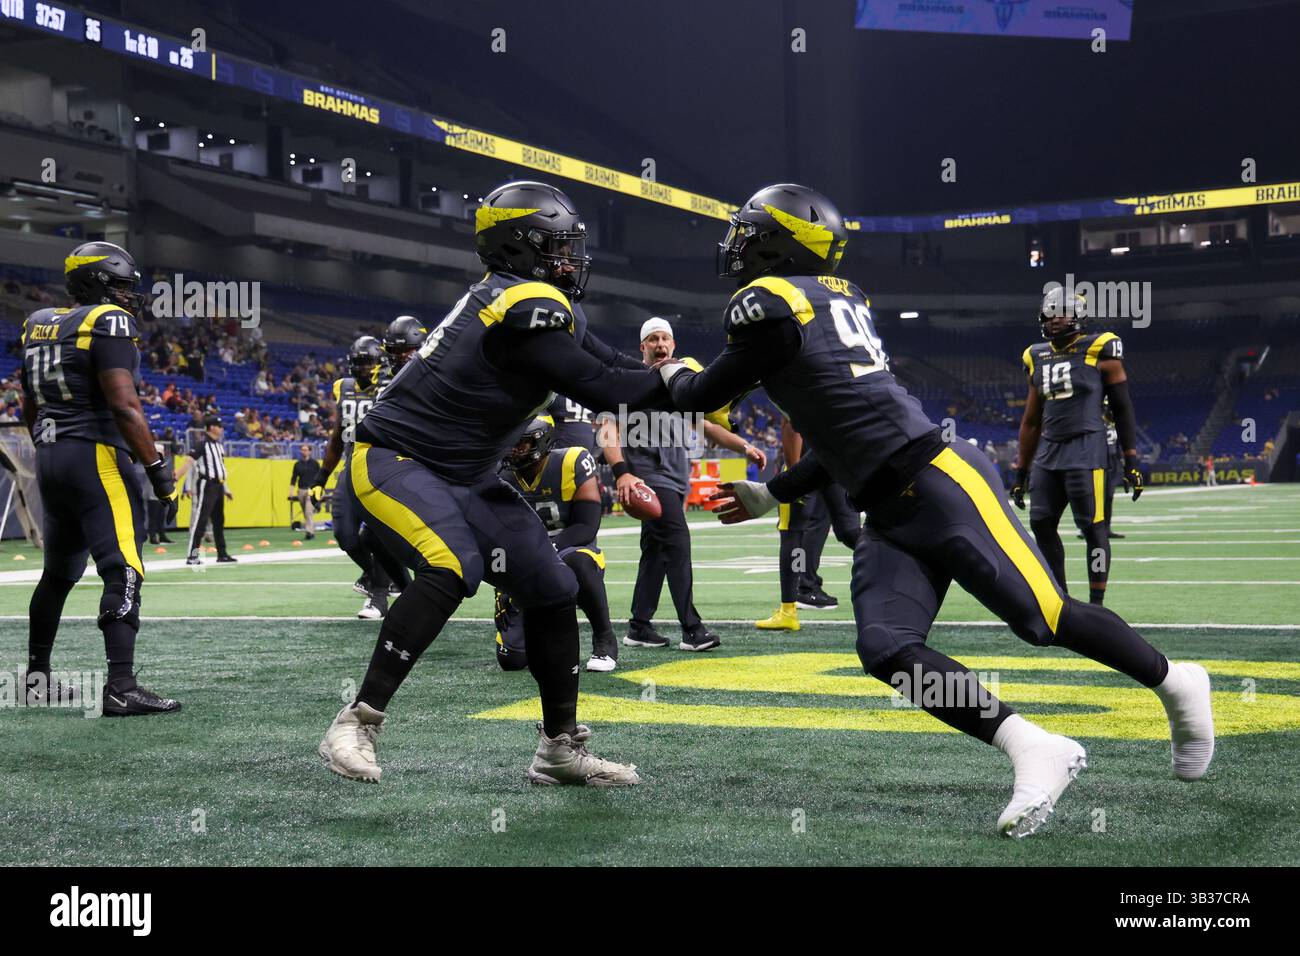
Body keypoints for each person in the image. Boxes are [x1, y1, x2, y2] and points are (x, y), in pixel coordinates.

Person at [658, 182, 1214, 837]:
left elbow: (695, 394)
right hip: (889, 508)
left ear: (781, 244)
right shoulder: (823, 302)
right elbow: (840, 432)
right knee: (886, 647)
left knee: (1045, 619)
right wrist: (771, 493)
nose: (739, 243)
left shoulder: (768, 305)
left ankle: (1177, 680)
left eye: (751, 232)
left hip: (939, 479)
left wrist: (665, 370)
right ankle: (1034, 748)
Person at [317, 180, 670, 786]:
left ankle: (559, 749)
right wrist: (702, 381)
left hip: (467, 471)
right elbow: (606, 387)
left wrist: (693, 379)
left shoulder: (540, 303)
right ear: (522, 248)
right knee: (453, 566)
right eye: (559, 246)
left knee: (553, 586)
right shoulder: (520, 304)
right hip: (398, 459)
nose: (572, 258)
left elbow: (619, 365)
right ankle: (357, 720)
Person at [17, 241, 181, 714]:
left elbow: (29, 401)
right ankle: (121, 687)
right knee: (124, 566)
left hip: (52, 456)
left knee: (58, 574)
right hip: (95, 457)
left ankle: (36, 679)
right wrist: (158, 472)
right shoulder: (107, 321)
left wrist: (51, 445)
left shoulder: (39, 322)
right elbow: (125, 406)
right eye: (123, 285)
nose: (130, 295)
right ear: (99, 282)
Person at [599, 317, 764, 651]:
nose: (660, 344)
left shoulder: (679, 383)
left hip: (674, 479)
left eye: (665, 339)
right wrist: (622, 472)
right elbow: (607, 428)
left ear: (673, 346)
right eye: (653, 339)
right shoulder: (628, 382)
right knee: (677, 544)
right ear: (642, 346)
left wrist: (743, 446)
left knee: (657, 552)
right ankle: (692, 627)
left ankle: (639, 626)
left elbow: (705, 426)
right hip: (648, 476)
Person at [1011, 288, 1143, 606]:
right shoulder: (1035, 355)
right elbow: (1031, 421)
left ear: (1079, 317)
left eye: (1063, 312)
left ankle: (1096, 604)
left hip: (1088, 447)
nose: (1056, 319)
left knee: (1093, 526)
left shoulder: (1101, 348)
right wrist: (1021, 470)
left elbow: (1123, 408)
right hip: (1049, 451)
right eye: (1051, 312)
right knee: (1041, 523)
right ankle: (1061, 598)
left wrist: (1131, 460)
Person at [494, 415, 618, 672]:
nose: (513, 449)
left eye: (521, 443)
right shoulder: (499, 472)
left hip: (570, 549)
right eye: (511, 443)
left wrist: (542, 555)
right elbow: (495, 533)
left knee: (579, 561)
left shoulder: (571, 461)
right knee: (512, 660)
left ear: (540, 442)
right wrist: (503, 582)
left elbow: (586, 526)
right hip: (524, 561)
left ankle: (604, 639)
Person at [756, 417, 860, 631]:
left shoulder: (793, 384)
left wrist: (794, 476)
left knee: (792, 531)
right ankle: (901, 576)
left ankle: (788, 609)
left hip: (808, 458)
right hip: (836, 458)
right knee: (849, 531)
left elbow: (789, 423)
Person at [313, 336, 392, 619]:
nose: (362, 367)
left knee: (375, 533)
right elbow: (337, 436)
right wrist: (321, 478)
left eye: (367, 361)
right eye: (358, 362)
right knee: (344, 534)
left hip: (382, 466)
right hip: (351, 464)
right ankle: (378, 575)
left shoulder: (392, 384)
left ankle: (379, 596)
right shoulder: (342, 388)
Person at [177, 416, 236, 565]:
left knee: (218, 520)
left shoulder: (219, 445)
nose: (222, 428)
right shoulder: (202, 444)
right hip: (207, 484)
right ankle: (192, 555)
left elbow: (220, 468)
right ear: (211, 428)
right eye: (219, 426)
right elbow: (189, 460)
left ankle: (222, 554)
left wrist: (226, 488)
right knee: (201, 519)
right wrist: (177, 475)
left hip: (219, 485)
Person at [290, 443, 321, 539]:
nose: (304, 451)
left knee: (308, 511)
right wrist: (291, 491)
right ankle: (311, 531)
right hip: (301, 490)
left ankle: (309, 532)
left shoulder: (315, 464)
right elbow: (294, 478)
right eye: (302, 450)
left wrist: (318, 492)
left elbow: (319, 479)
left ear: (310, 451)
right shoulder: (297, 464)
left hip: (311, 491)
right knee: (305, 512)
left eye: (306, 449)